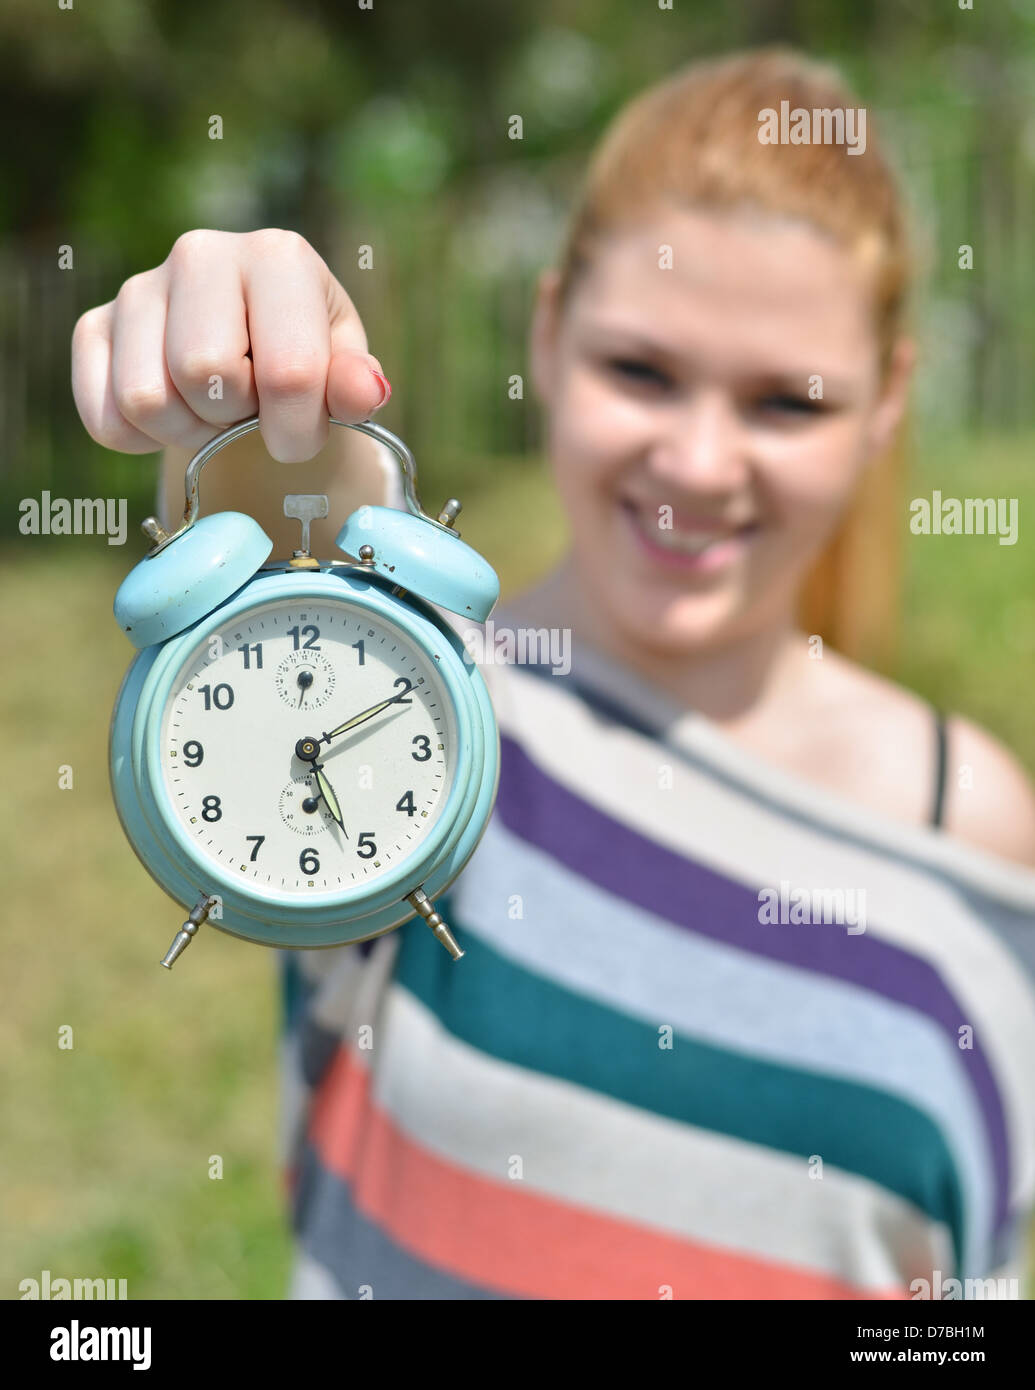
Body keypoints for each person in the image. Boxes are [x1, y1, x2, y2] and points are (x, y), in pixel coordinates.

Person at [73, 48, 1035, 1300]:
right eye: (641, 370)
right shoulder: (435, 714)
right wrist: (243, 382)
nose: (697, 462)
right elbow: (268, 629)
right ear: (547, 328)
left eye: (785, 403)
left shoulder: (981, 822)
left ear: (887, 402)